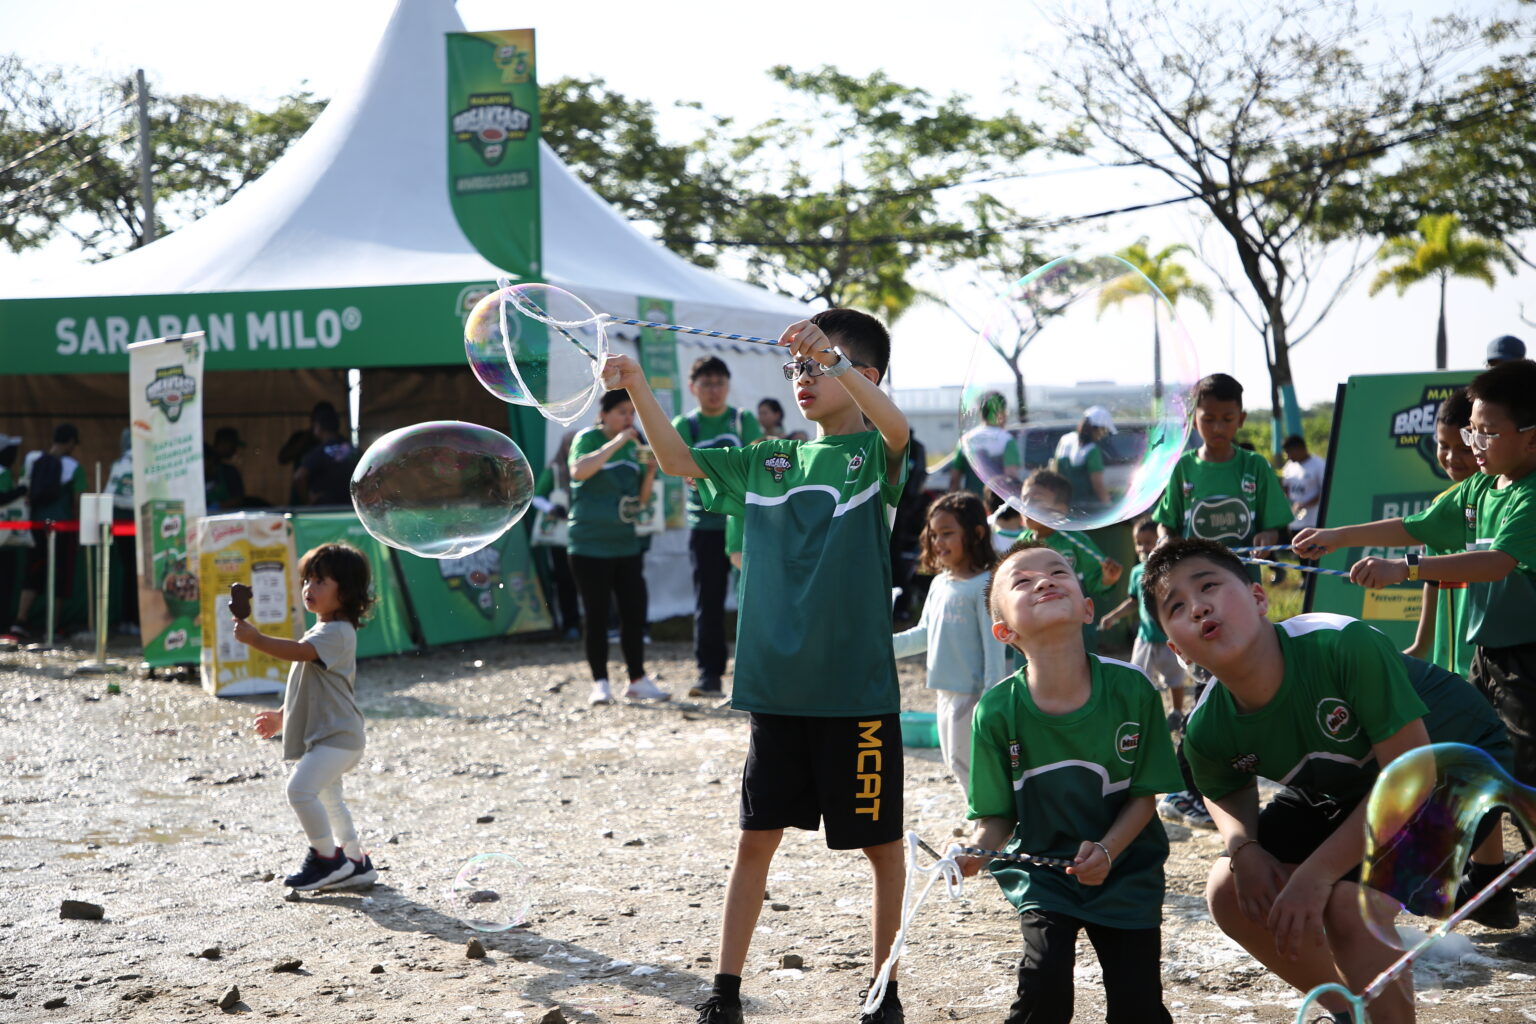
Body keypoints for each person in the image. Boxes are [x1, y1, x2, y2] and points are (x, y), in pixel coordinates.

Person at [601, 308, 911, 1024]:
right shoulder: (768, 457)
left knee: (881, 850)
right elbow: (677, 459)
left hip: (857, 694)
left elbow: (895, 430)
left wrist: (829, 358)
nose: (803, 377)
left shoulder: (874, 458)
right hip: (777, 692)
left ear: (864, 377)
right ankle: (726, 991)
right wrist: (640, 385)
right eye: (797, 368)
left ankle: (884, 990)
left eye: (819, 367)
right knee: (754, 842)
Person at [1141, 538, 1515, 1022]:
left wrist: (1315, 875)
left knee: (1351, 908)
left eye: (1209, 585)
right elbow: (1222, 785)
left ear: (1259, 600)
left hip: (1453, 765)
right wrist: (1243, 847)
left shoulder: (1339, 642)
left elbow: (1413, 776)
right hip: (1351, 784)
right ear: (1174, 647)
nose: (1198, 607)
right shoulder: (1207, 725)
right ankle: (1351, 1012)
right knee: (1228, 891)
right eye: (1176, 606)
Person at [1294, 357, 1536, 909]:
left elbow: (1497, 561)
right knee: (1468, 756)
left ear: (1532, 439)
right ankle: (1488, 880)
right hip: (1490, 657)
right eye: (1471, 429)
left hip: (1530, 661)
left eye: (1487, 431)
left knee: (1520, 775)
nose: (1473, 442)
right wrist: (1335, 536)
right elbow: (1417, 526)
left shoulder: (1530, 495)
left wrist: (1404, 569)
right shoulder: (1481, 488)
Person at [960, 541, 1181, 1024]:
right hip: (1045, 875)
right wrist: (976, 850)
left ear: (1086, 608)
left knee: (1138, 1005)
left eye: (1058, 571)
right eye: (1022, 581)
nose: (1044, 580)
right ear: (1005, 632)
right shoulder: (995, 713)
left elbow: (1146, 795)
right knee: (1043, 983)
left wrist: (1107, 851)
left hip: (1128, 872)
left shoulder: (1133, 689)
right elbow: (996, 816)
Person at [239, 543, 379, 892]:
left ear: (345, 592)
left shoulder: (338, 632)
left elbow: (296, 653)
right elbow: (309, 688)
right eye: (306, 580)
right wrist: (281, 717)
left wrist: (256, 639)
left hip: (338, 737)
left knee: (300, 791)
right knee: (330, 800)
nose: (308, 589)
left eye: (319, 582)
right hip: (333, 737)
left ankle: (327, 859)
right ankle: (356, 862)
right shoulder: (323, 631)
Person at [892, 491, 1006, 791]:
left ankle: (988, 826)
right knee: (953, 760)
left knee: (969, 763)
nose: (938, 542)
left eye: (947, 533)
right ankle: (981, 821)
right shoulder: (940, 583)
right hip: (943, 691)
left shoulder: (985, 586)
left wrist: (990, 701)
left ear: (976, 533)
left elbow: (994, 649)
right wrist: (879, 647)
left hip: (972, 696)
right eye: (933, 535)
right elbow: (924, 634)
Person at [568, 389, 667, 706]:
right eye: (622, 412)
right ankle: (600, 682)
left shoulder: (635, 447)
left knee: (633, 613)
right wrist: (617, 442)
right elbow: (579, 470)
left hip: (626, 542)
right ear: (604, 413)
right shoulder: (587, 438)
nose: (629, 419)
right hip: (588, 544)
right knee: (596, 616)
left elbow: (641, 501)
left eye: (631, 413)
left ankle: (637, 679)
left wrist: (650, 471)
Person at [674, 356, 762, 697]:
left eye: (719, 383)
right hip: (705, 525)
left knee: (754, 598)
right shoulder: (686, 424)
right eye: (706, 384)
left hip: (744, 523)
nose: (714, 391)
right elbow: (680, 466)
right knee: (707, 602)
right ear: (693, 388)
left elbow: (756, 460)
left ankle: (753, 671)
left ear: (728, 386)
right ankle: (709, 674)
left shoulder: (743, 420)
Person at [1151, 373, 1291, 579]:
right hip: (1194, 580)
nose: (1218, 427)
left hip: (1243, 579)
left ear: (1241, 419)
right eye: (1208, 419)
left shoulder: (1255, 466)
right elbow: (1166, 524)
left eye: (1227, 419)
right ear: (1194, 421)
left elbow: (1273, 526)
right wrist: (1164, 542)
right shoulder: (1183, 467)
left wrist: (1268, 536)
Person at [1404, 389, 1476, 678]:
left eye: (1464, 448)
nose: (1451, 457)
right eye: (1443, 445)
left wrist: (1400, 568)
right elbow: (1432, 581)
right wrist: (1420, 646)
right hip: (1450, 669)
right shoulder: (1440, 504)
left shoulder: (1505, 500)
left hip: (1492, 669)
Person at [1017, 470, 1123, 653]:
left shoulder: (1075, 540)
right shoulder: (1021, 542)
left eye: (1036, 499)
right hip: (1035, 627)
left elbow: (1095, 580)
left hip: (1073, 624)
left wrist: (1108, 578)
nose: (1026, 506)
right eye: (1023, 499)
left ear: (1061, 509)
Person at [1100, 517, 1189, 730]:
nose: (1143, 548)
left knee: (1174, 679)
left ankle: (1177, 712)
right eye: (1138, 543)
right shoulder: (1136, 572)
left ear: (1162, 542)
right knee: (1137, 676)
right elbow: (1133, 601)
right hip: (1145, 637)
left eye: (1149, 542)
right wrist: (1113, 616)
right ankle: (1140, 715)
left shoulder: (1170, 570)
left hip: (1170, 638)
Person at [12, 423, 84, 638]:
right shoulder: (74, 467)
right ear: (71, 442)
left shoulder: (31, 461)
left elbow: (23, 493)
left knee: (32, 574)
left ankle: (20, 621)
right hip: (62, 529)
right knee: (59, 576)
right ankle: (52, 626)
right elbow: (78, 499)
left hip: (34, 527)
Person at [530, 432, 582, 640]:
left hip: (586, 533)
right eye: (571, 445)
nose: (574, 450)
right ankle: (571, 624)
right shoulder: (555, 470)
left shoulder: (592, 467)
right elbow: (537, 496)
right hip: (561, 538)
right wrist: (552, 507)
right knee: (565, 580)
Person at [945, 391, 1020, 508]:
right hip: (997, 507)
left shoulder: (966, 440)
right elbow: (1010, 477)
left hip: (971, 507)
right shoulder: (1006, 439)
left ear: (981, 413)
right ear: (1001, 413)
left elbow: (954, 480)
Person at [889, 432, 929, 623]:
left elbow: (915, 480)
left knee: (894, 559)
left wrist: (907, 505)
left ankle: (901, 607)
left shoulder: (911, 447)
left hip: (901, 511)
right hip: (898, 509)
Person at [105, 428, 139, 634]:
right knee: (135, 572)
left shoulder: (118, 464)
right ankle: (132, 620)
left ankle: (127, 620)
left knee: (127, 571)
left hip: (116, 522)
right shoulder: (145, 461)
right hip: (135, 522)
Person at [1051, 406, 1116, 510]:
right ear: (1097, 429)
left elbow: (1055, 471)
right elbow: (1098, 485)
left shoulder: (1065, 440)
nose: (1103, 434)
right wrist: (1109, 506)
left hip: (1064, 505)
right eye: (1104, 430)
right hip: (1087, 507)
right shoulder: (1092, 450)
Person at [293, 403, 358, 506]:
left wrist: (307, 501)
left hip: (324, 509)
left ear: (318, 427)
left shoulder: (319, 452)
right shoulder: (353, 450)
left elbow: (299, 477)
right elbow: (371, 472)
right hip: (351, 507)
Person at [0, 435, 28, 631]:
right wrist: (21, 491)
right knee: (5, 582)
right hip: (4, 541)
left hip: (6, 539)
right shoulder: (3, 473)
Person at [206, 426, 248, 511]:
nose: (235, 450)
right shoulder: (197, 472)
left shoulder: (229, 471)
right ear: (224, 443)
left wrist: (217, 507)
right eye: (233, 446)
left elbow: (238, 500)